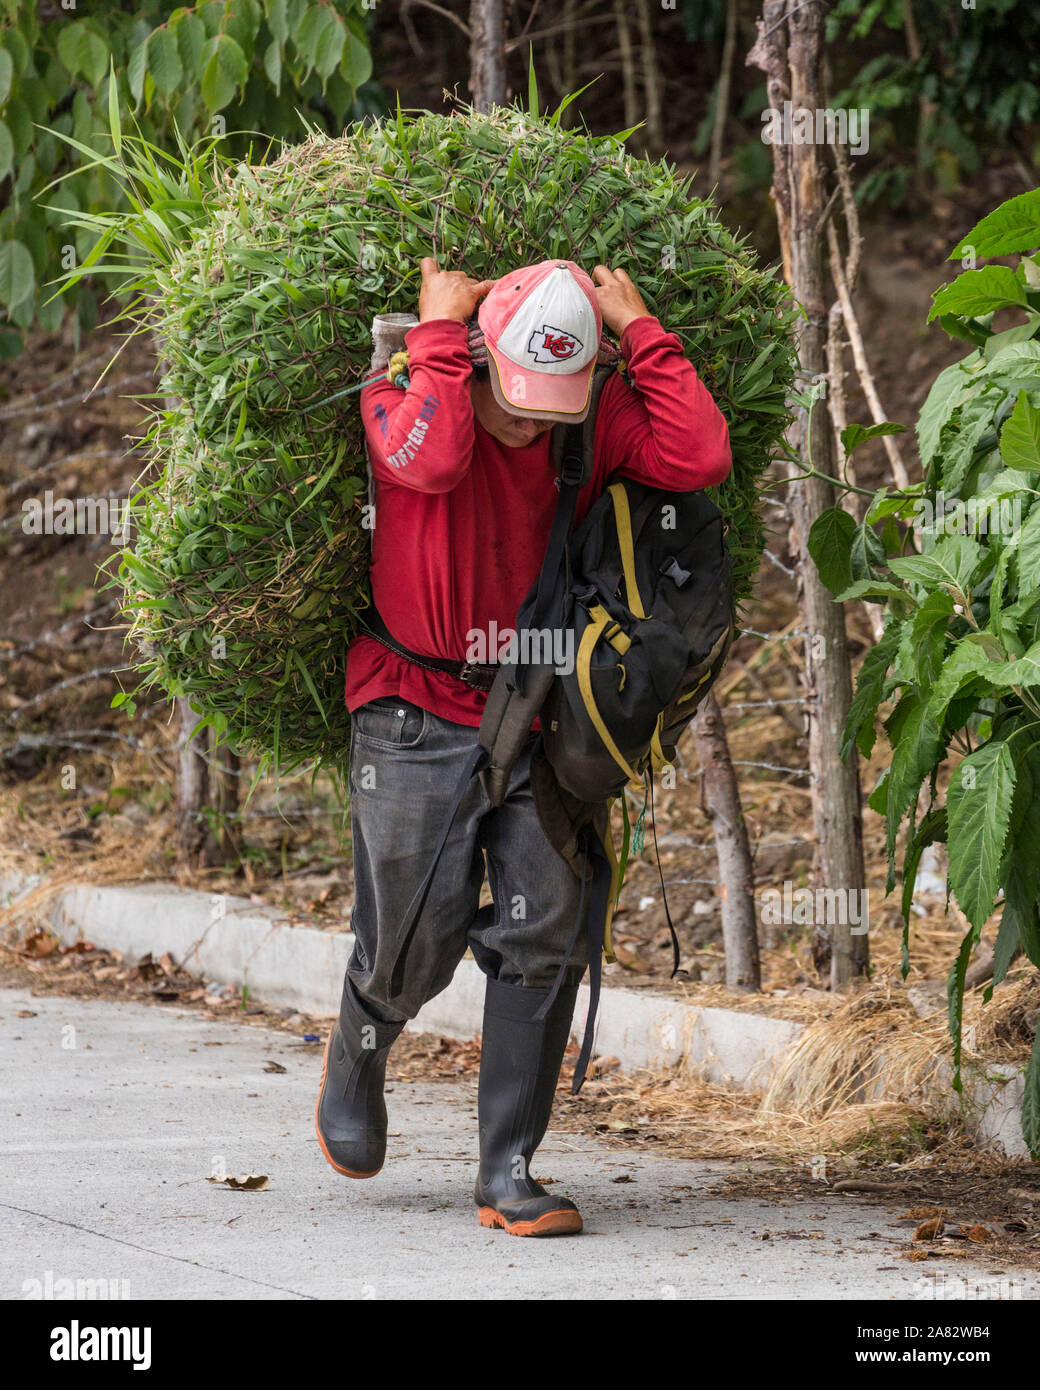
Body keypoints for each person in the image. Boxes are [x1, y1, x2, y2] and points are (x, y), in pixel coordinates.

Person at [315, 255, 732, 1236]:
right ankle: (363, 1035)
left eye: (553, 403)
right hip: (410, 700)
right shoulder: (409, 388)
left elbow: (699, 452)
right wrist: (433, 333)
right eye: (516, 395)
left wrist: (639, 331)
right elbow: (431, 461)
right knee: (416, 934)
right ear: (476, 356)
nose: (532, 421)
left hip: (536, 700)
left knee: (547, 923)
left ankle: (507, 1168)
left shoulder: (581, 418)